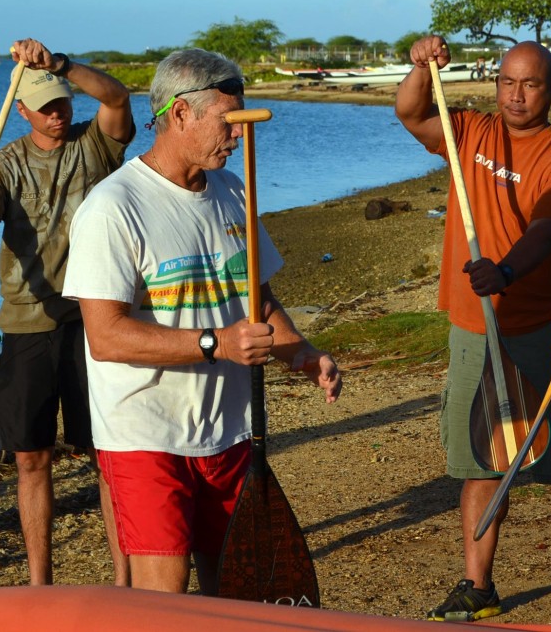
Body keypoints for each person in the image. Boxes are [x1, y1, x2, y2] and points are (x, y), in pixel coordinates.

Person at [62, 47, 342, 595]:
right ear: (181, 114)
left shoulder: (234, 193)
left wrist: (302, 355)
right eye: (228, 121)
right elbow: (106, 335)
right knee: (164, 594)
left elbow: (257, 303)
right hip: (144, 432)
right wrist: (218, 343)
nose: (237, 135)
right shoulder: (114, 207)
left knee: (229, 588)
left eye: (241, 120)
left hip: (228, 429)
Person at [395, 35, 551, 622]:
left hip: (547, 327)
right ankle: (478, 586)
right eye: (507, 82)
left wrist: (506, 270)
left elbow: (547, 232)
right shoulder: (469, 130)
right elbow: (412, 112)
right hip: (474, 325)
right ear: (496, 85)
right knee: (481, 462)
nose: (517, 96)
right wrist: (421, 67)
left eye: (531, 84)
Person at [0, 38, 135, 586]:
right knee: (30, 459)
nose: (58, 113)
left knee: (108, 457)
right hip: (25, 323)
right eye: (45, 107)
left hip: (97, 320)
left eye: (63, 102)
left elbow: (116, 97)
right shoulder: (6, 162)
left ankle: (125, 582)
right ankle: (41, 584)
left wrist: (60, 65)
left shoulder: (97, 146)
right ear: (21, 110)